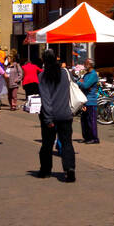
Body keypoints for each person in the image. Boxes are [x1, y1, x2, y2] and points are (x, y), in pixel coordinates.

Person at [35, 51, 75, 182]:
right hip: (66, 114)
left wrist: (48, 118)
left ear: (43, 61)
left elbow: (46, 99)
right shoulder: (66, 73)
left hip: (50, 116)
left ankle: (45, 170)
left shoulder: (42, 76)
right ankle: (69, 169)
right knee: (67, 143)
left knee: (47, 144)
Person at [77, 59, 100, 144]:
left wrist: (82, 84)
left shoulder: (93, 75)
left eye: (85, 63)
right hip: (84, 101)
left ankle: (94, 138)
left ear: (90, 65)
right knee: (84, 120)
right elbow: (79, 83)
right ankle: (86, 137)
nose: (84, 65)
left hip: (91, 101)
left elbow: (86, 85)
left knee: (91, 121)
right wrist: (81, 83)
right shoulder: (86, 74)